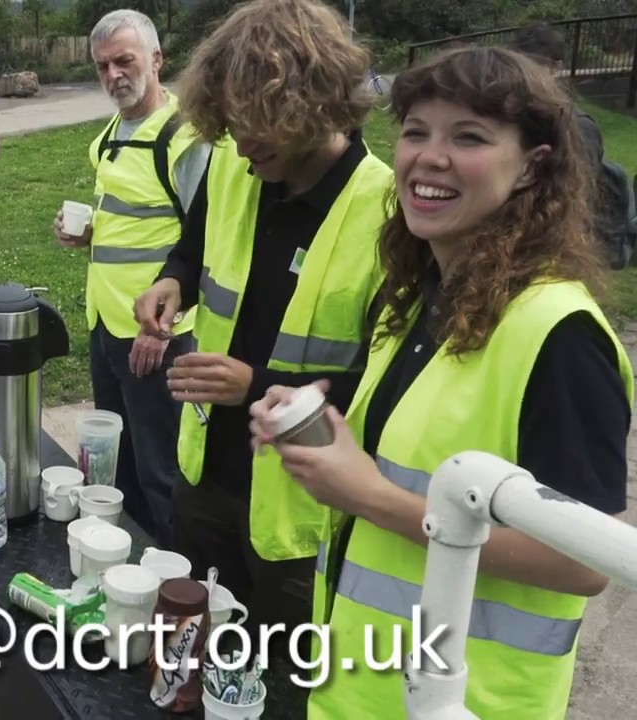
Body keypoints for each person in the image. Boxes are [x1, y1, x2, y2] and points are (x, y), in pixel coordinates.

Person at [250, 46, 631, 718]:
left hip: (467, 703)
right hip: (361, 689)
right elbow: (418, 438)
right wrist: (320, 415)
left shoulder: (559, 333)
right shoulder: (425, 295)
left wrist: (369, 495)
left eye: (470, 138)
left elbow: (584, 564)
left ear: (531, 168)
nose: (429, 156)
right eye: (416, 131)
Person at [131, 0, 393, 705]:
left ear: (313, 103)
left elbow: (387, 384)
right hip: (205, 475)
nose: (243, 147)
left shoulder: (387, 213)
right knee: (187, 659)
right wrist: (170, 279)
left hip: (298, 513)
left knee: (277, 687)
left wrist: (257, 384)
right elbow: (194, 243)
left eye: (258, 129)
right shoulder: (231, 167)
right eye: (231, 129)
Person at [52, 9, 208, 548]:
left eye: (126, 61)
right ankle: (129, 570)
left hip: (154, 336)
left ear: (157, 60)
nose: (114, 74)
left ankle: (178, 590)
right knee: (119, 469)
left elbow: (205, 243)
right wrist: (88, 232)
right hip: (107, 326)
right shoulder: (114, 132)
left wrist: (161, 328)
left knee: (159, 469)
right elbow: (138, 217)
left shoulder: (184, 137)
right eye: (103, 66)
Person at [508, 22, 604, 166]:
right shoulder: (506, 114)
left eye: (536, 66)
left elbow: (584, 184)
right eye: (519, 66)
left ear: (556, 68)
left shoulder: (580, 128)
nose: (526, 75)